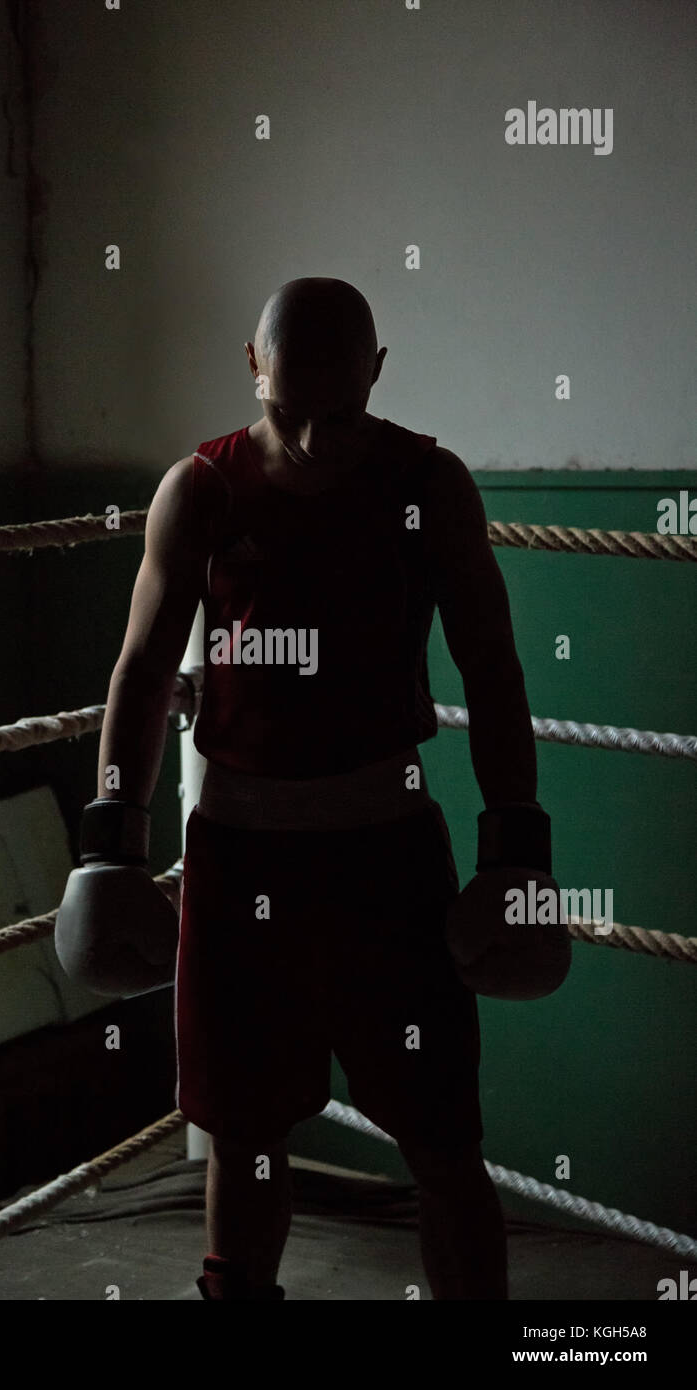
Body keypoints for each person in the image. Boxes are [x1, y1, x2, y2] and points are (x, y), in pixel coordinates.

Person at [75, 277, 544, 1300]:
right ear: (253, 364)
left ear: (376, 374)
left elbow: (492, 666)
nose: (320, 437)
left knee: (439, 1136)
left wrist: (517, 850)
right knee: (242, 1130)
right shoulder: (201, 487)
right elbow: (143, 670)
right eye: (293, 408)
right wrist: (108, 843)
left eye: (343, 409)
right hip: (243, 857)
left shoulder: (430, 483)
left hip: (388, 857)